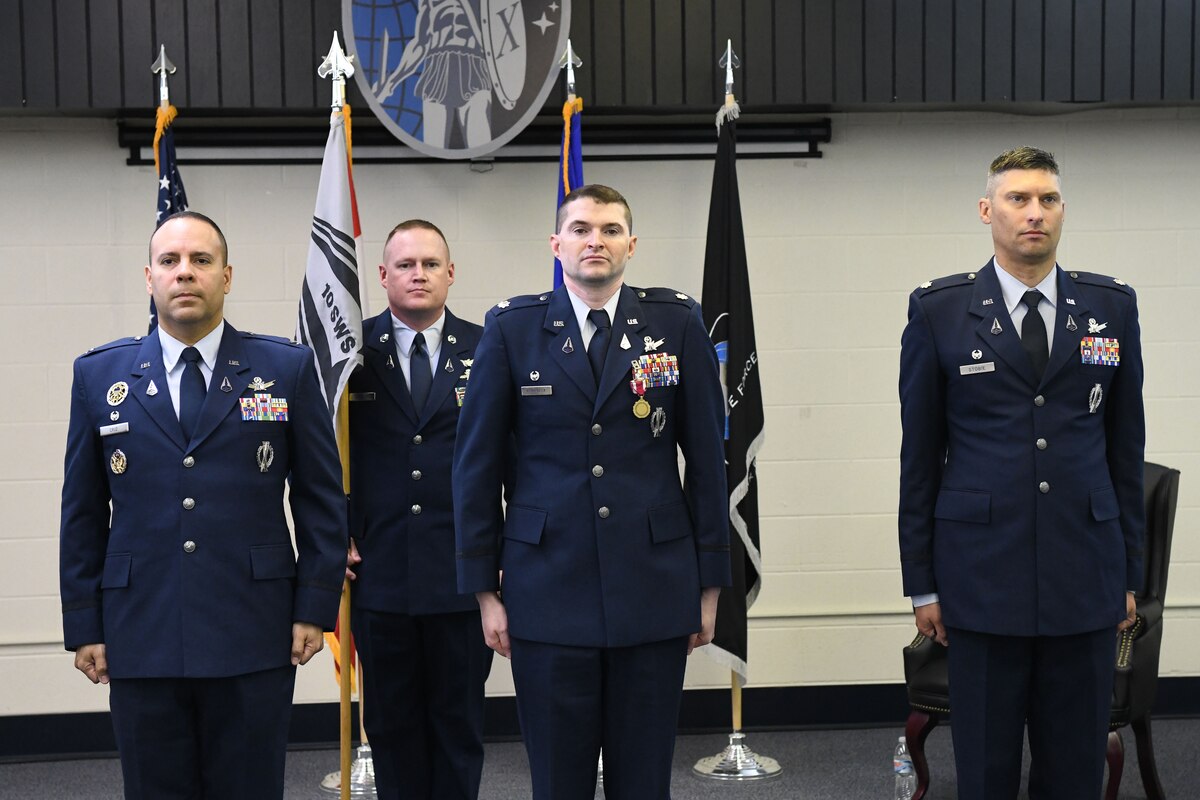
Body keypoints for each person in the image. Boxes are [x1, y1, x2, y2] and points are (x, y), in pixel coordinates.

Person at [453, 184, 730, 799]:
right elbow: (476, 468)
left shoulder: (676, 321)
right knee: (559, 781)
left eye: (609, 229)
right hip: (545, 589)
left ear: (632, 244)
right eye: (579, 229)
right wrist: (483, 593)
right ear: (557, 244)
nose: (594, 241)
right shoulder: (512, 330)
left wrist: (709, 586)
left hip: (652, 588)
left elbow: (708, 462)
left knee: (644, 780)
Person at [59, 211, 348, 799]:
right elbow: (82, 513)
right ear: (149, 278)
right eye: (169, 262)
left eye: (200, 261)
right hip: (141, 630)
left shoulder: (284, 369)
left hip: (254, 627)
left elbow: (321, 498)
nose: (184, 273)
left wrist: (313, 608)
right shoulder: (99, 375)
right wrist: (84, 623)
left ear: (227, 275)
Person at [898, 147, 1145, 798]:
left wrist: (1130, 575)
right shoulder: (940, 311)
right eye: (1018, 199)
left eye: (1048, 199)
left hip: (1084, 575)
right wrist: (922, 584)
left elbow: (1126, 448)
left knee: (1073, 773)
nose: (1034, 213)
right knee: (985, 771)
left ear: (1063, 211)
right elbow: (919, 460)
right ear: (987, 210)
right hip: (981, 578)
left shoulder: (1110, 308)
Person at [345, 220, 491, 799]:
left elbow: (512, 457)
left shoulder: (488, 347)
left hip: (461, 575)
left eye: (431, 264)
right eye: (405, 265)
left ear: (450, 274)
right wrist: (335, 533)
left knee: (458, 728)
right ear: (383, 276)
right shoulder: (348, 353)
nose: (419, 274)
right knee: (391, 728)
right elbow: (317, 455)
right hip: (379, 577)